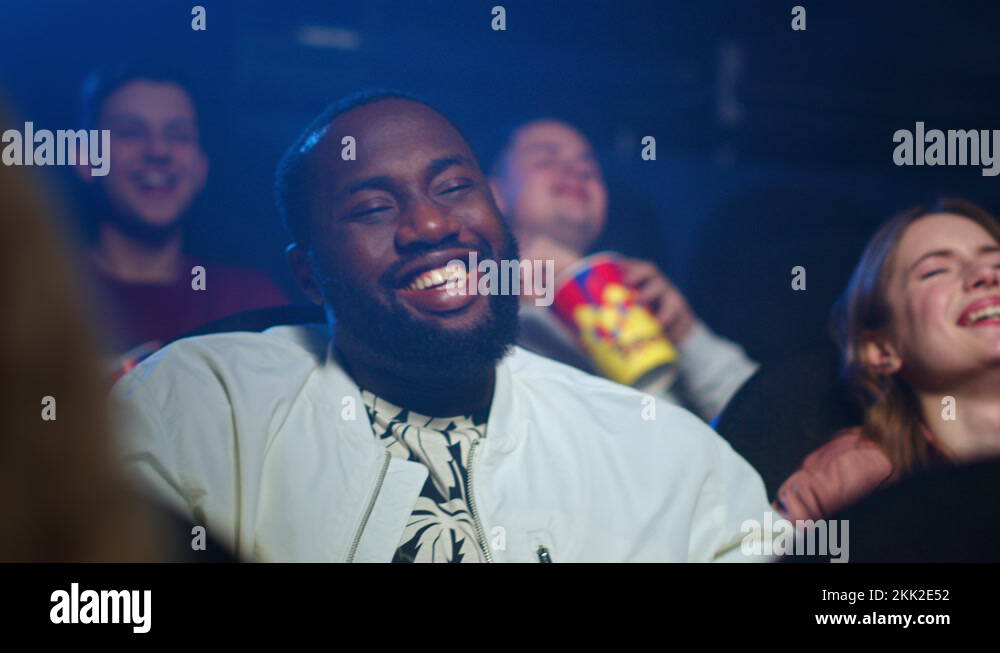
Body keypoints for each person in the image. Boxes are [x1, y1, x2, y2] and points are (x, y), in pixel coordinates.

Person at [112, 90, 777, 562]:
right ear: (308, 274)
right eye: (374, 206)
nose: (431, 224)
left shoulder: (659, 448)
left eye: (455, 188)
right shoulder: (205, 403)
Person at [488, 119, 757, 422]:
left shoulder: (638, 291)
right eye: (546, 158)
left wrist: (686, 334)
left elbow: (772, 418)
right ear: (493, 193)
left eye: (588, 163)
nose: (579, 170)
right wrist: (534, 309)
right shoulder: (476, 308)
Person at [775, 198, 1000, 522]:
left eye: (997, 264)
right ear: (880, 350)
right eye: (936, 270)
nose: (985, 275)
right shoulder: (850, 477)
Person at [75, 61, 287, 356]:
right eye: (130, 132)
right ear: (85, 159)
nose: (158, 151)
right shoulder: (36, 291)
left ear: (202, 166)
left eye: (178, 135)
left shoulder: (249, 300)